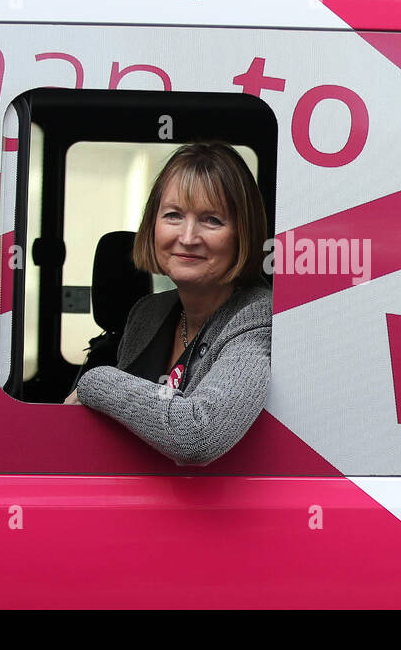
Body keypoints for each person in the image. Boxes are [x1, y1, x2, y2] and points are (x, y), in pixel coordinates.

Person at [64, 142, 272, 466]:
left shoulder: (260, 317)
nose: (188, 237)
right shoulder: (147, 313)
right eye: (174, 215)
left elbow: (197, 433)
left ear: (242, 233)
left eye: (212, 220)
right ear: (153, 225)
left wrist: (95, 381)